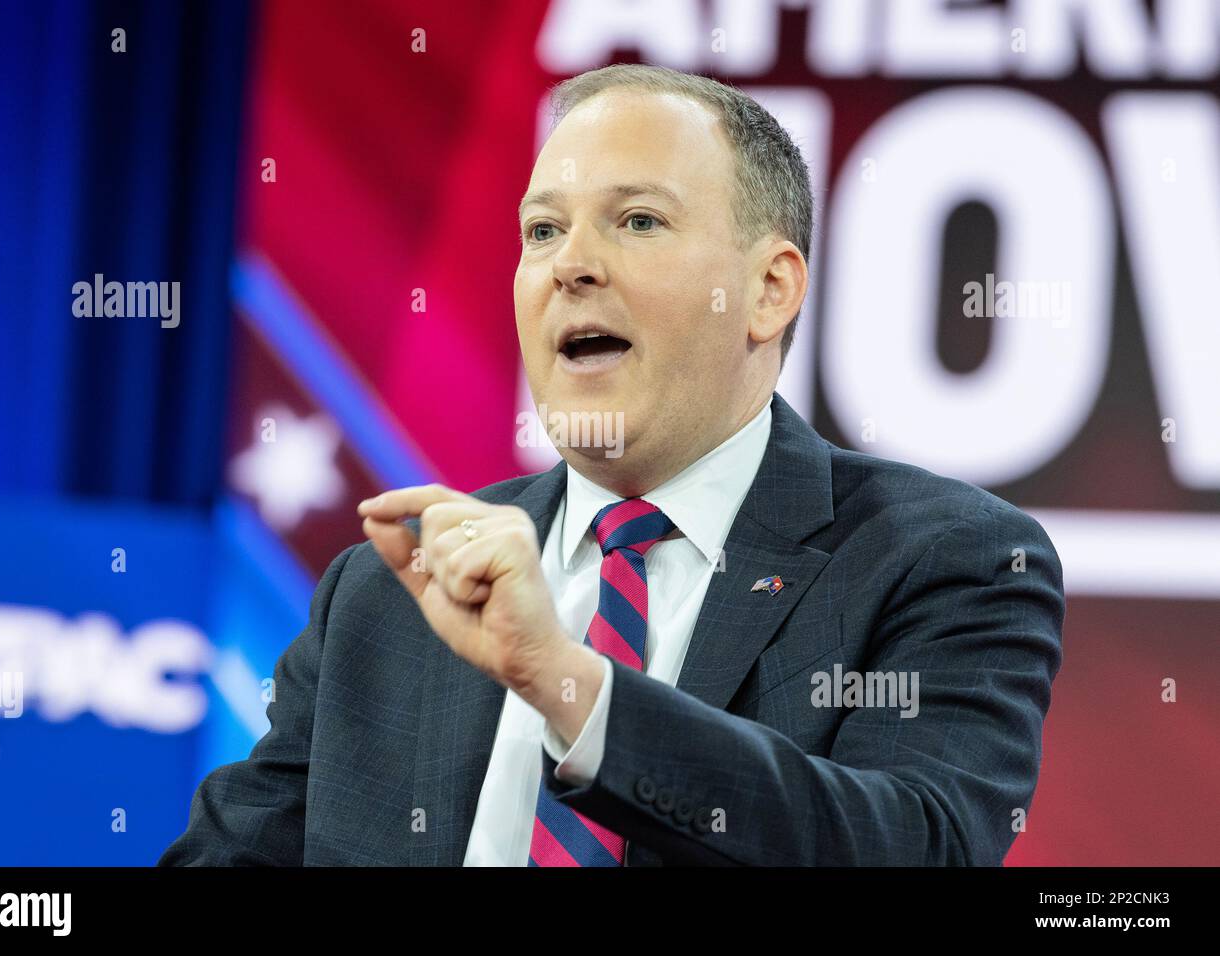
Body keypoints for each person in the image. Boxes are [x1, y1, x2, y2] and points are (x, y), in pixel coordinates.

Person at [159, 63, 1063, 867]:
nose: (571, 266)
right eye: (542, 231)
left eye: (637, 220)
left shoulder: (942, 558)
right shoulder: (389, 590)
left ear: (769, 289)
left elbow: (914, 843)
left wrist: (565, 683)